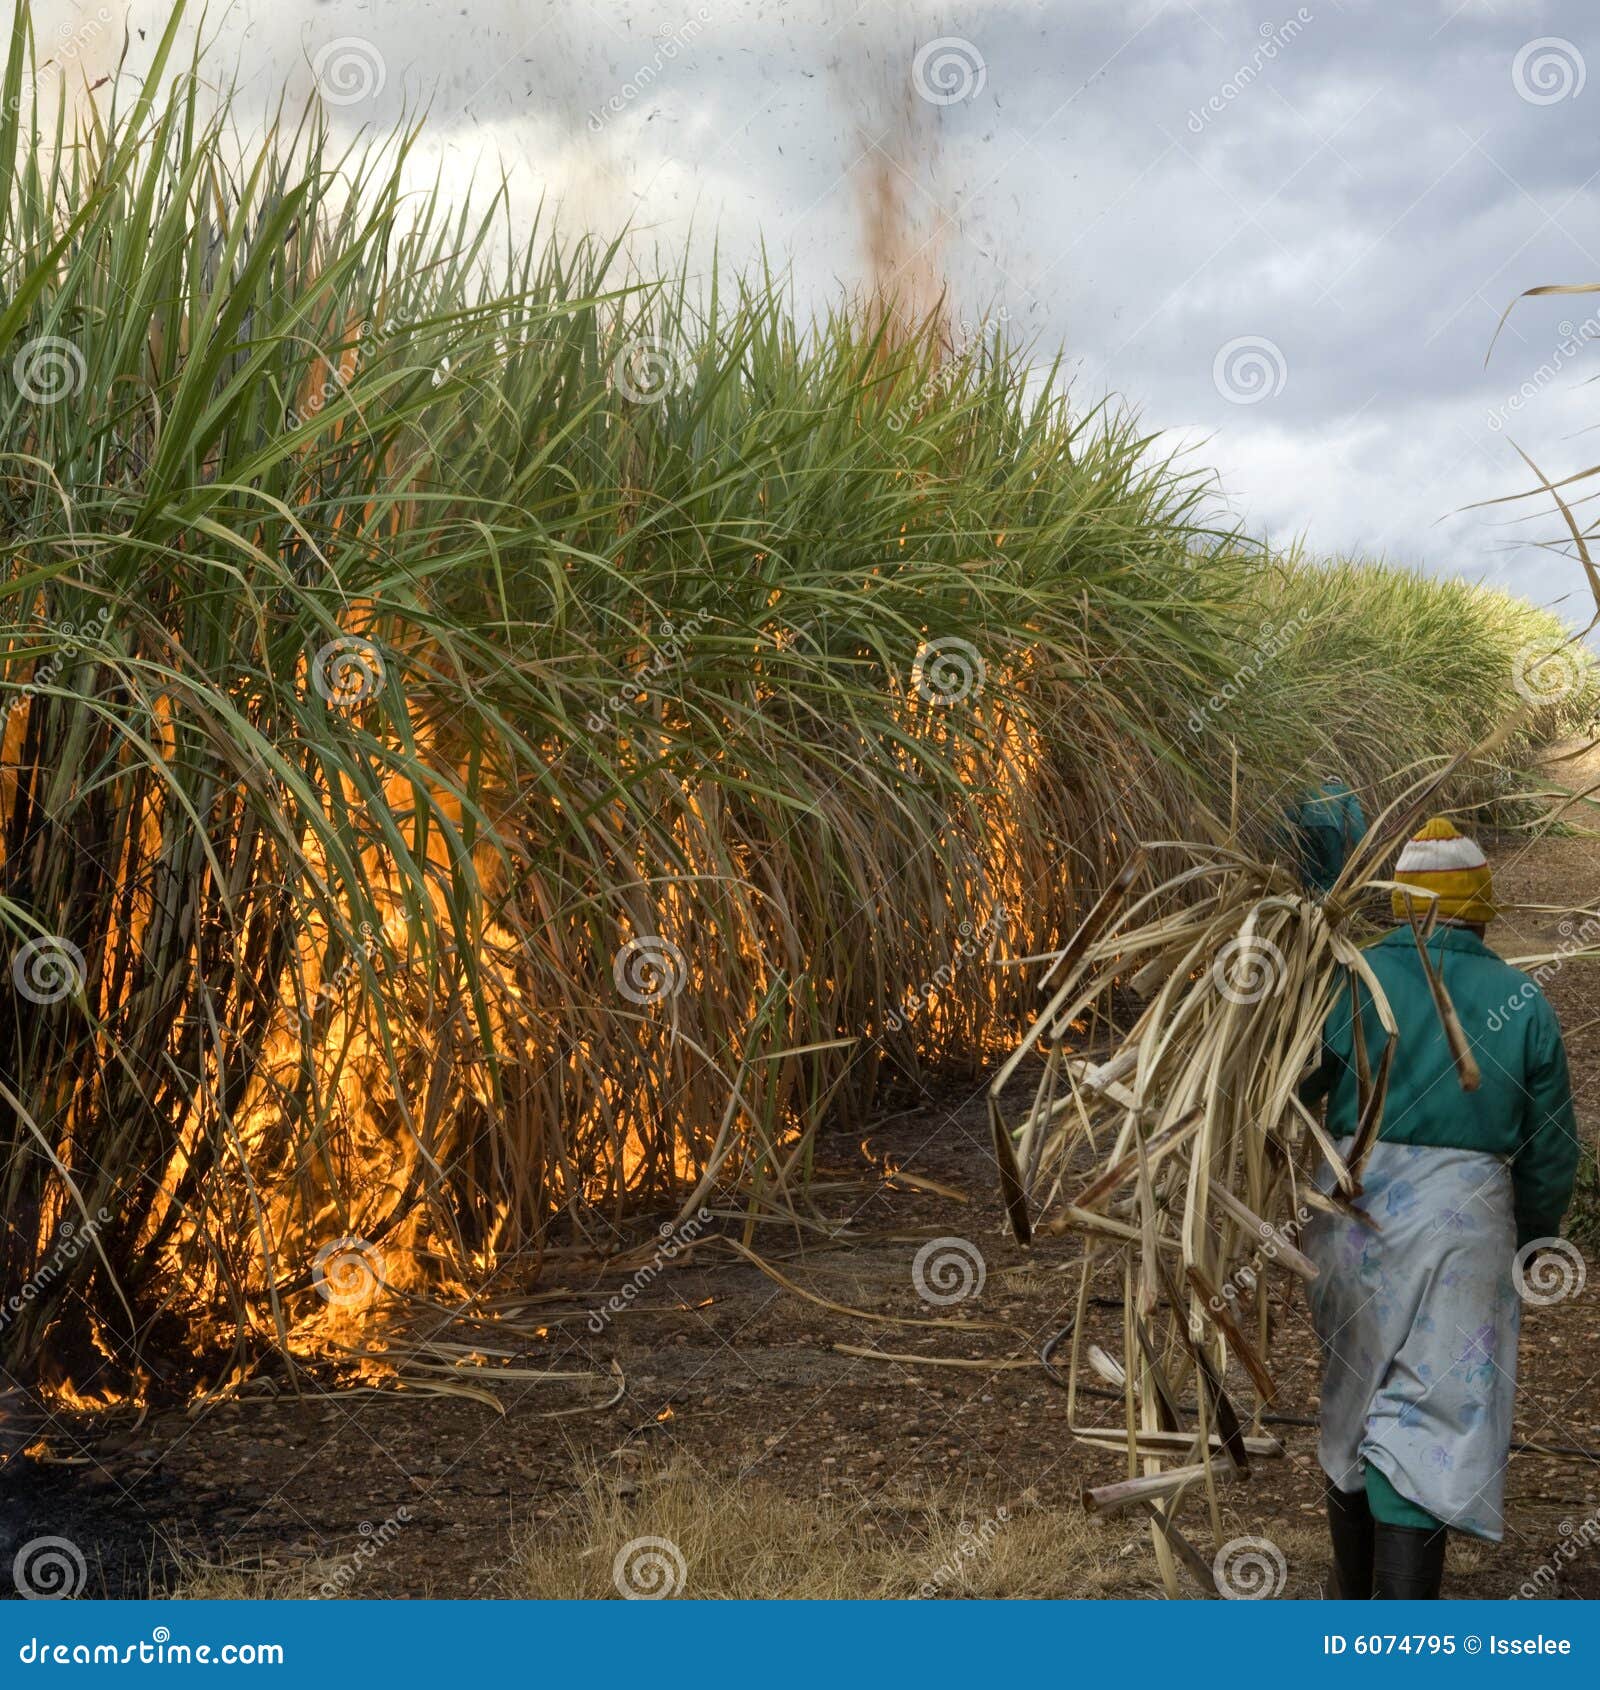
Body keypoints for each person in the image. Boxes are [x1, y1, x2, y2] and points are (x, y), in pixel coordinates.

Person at [1298, 816, 1580, 1599]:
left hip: (1350, 1207)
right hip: (1465, 1227)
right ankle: (1402, 1630)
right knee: (1434, 1407)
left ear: (1396, 906)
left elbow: (1288, 1090)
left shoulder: (1346, 978)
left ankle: (1349, 1608)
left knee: (1352, 1390)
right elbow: (1552, 1149)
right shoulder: (1521, 999)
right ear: (1482, 909)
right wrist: (1533, 1235)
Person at [1291, 777, 1367, 895]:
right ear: (1340, 783)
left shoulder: (1310, 790)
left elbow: (1292, 813)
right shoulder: (1346, 791)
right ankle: (1323, 904)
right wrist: (1361, 842)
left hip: (1306, 829)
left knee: (1309, 870)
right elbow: (1356, 817)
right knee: (1332, 871)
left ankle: (1307, 903)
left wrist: (1284, 837)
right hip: (1331, 831)